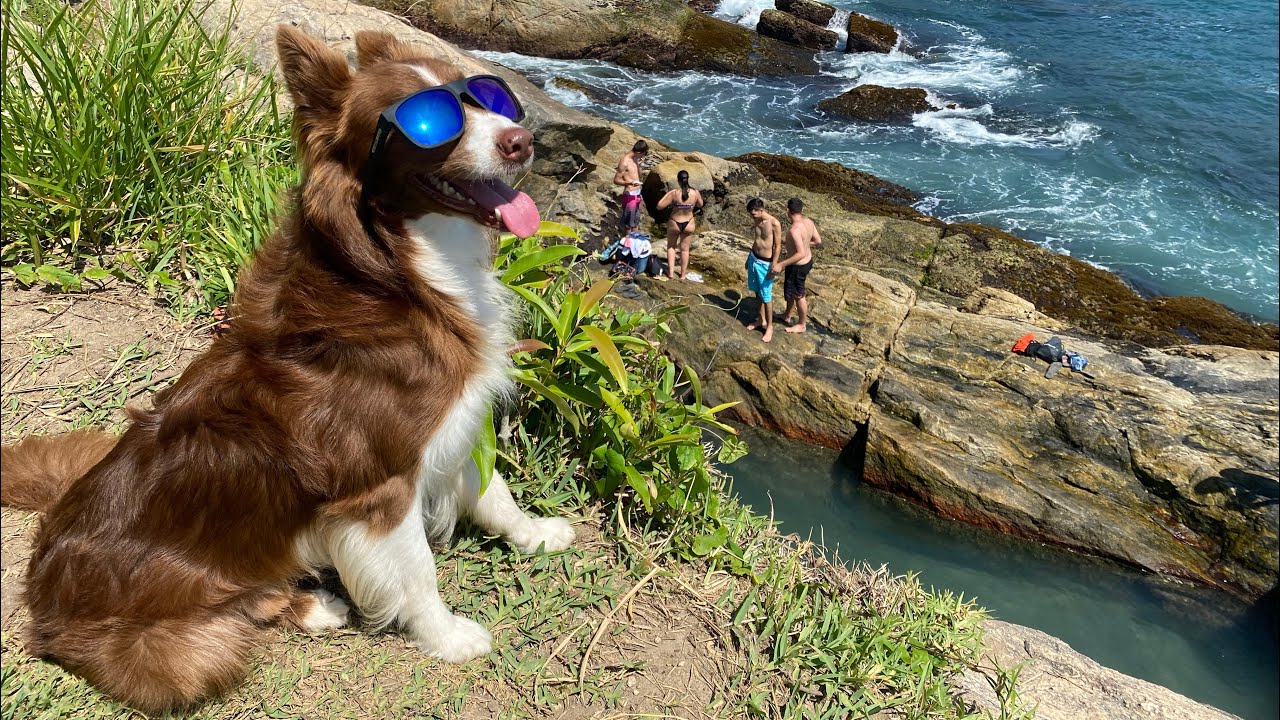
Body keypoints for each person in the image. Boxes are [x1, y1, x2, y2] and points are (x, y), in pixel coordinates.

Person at [773, 197, 822, 334]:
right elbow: (818, 241)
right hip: (808, 261)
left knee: (799, 295)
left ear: (788, 211)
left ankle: (802, 325)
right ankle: (787, 315)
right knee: (790, 290)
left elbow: (800, 254)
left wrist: (781, 264)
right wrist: (805, 244)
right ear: (801, 210)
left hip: (798, 266)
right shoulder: (809, 222)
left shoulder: (794, 231)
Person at [744, 198, 782, 343]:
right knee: (756, 291)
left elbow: (778, 246)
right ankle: (761, 319)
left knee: (766, 296)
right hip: (754, 257)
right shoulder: (756, 220)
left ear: (761, 210)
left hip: (765, 263)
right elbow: (756, 239)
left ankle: (770, 326)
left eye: (754, 214)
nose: (752, 216)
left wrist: (774, 264)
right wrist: (749, 258)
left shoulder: (774, 223)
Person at [656, 169, 705, 280]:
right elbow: (700, 204)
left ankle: (671, 273)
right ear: (688, 179)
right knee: (685, 250)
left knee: (671, 247)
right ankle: (683, 275)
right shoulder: (695, 192)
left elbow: (659, 206)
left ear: (678, 180)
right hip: (689, 223)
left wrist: (668, 194)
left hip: (675, 223)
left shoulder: (674, 193)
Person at [613, 140, 648, 234]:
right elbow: (616, 180)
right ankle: (628, 245)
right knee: (629, 224)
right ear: (638, 152)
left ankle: (635, 243)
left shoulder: (635, 159)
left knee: (635, 222)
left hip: (637, 194)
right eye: (643, 154)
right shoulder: (624, 162)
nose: (643, 157)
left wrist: (639, 166)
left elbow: (639, 176)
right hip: (630, 195)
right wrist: (630, 183)